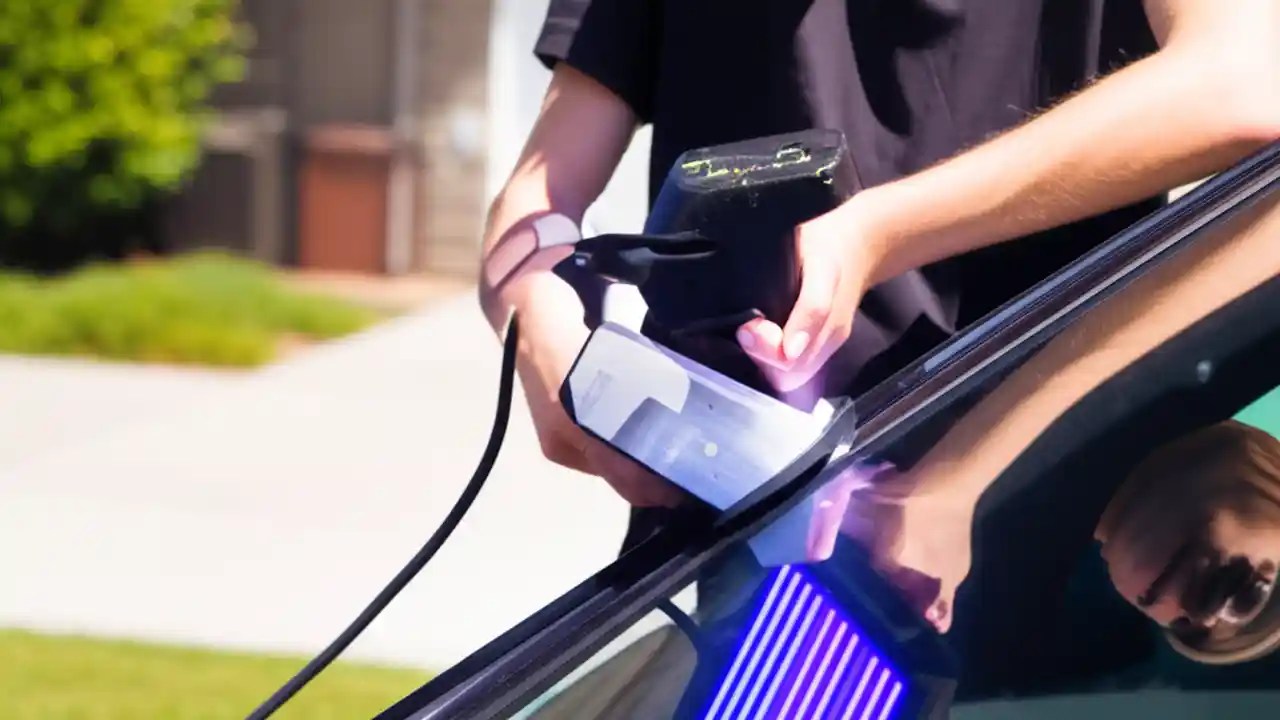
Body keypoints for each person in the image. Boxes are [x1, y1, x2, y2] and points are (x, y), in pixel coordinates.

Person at [477, 0, 1279, 586]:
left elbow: (1247, 85)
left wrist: (881, 231)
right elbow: (536, 204)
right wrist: (540, 321)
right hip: (732, 538)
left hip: (1000, 550)